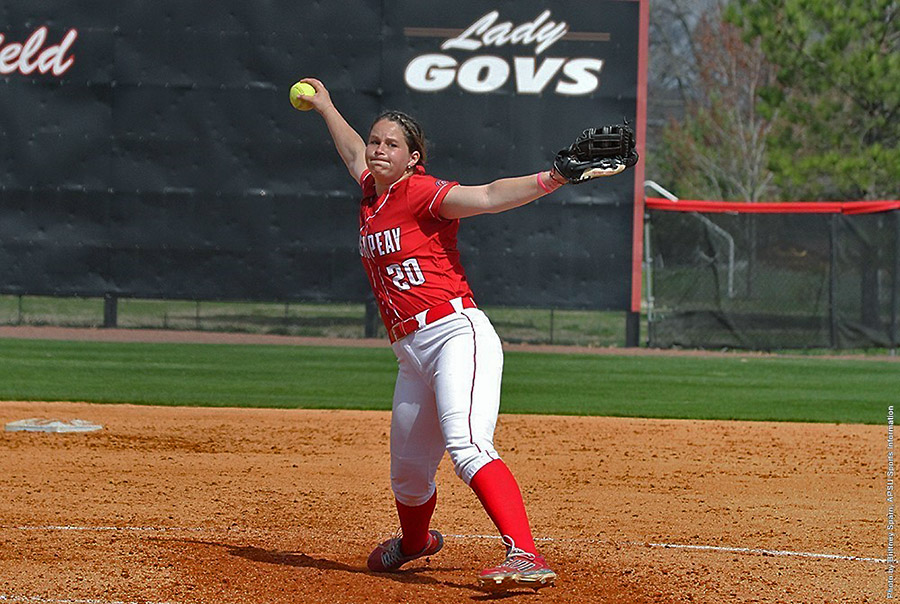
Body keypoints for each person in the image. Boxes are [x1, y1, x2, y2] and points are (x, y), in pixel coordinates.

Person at [300, 77, 568, 592]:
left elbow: (487, 196)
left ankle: (526, 555)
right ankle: (418, 543)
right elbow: (353, 151)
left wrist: (551, 178)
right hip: (410, 352)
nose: (378, 149)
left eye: (391, 144)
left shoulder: (421, 192)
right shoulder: (372, 194)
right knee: (407, 473)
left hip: (453, 334)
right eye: (377, 141)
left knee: (467, 445)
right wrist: (327, 105)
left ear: (412, 158)